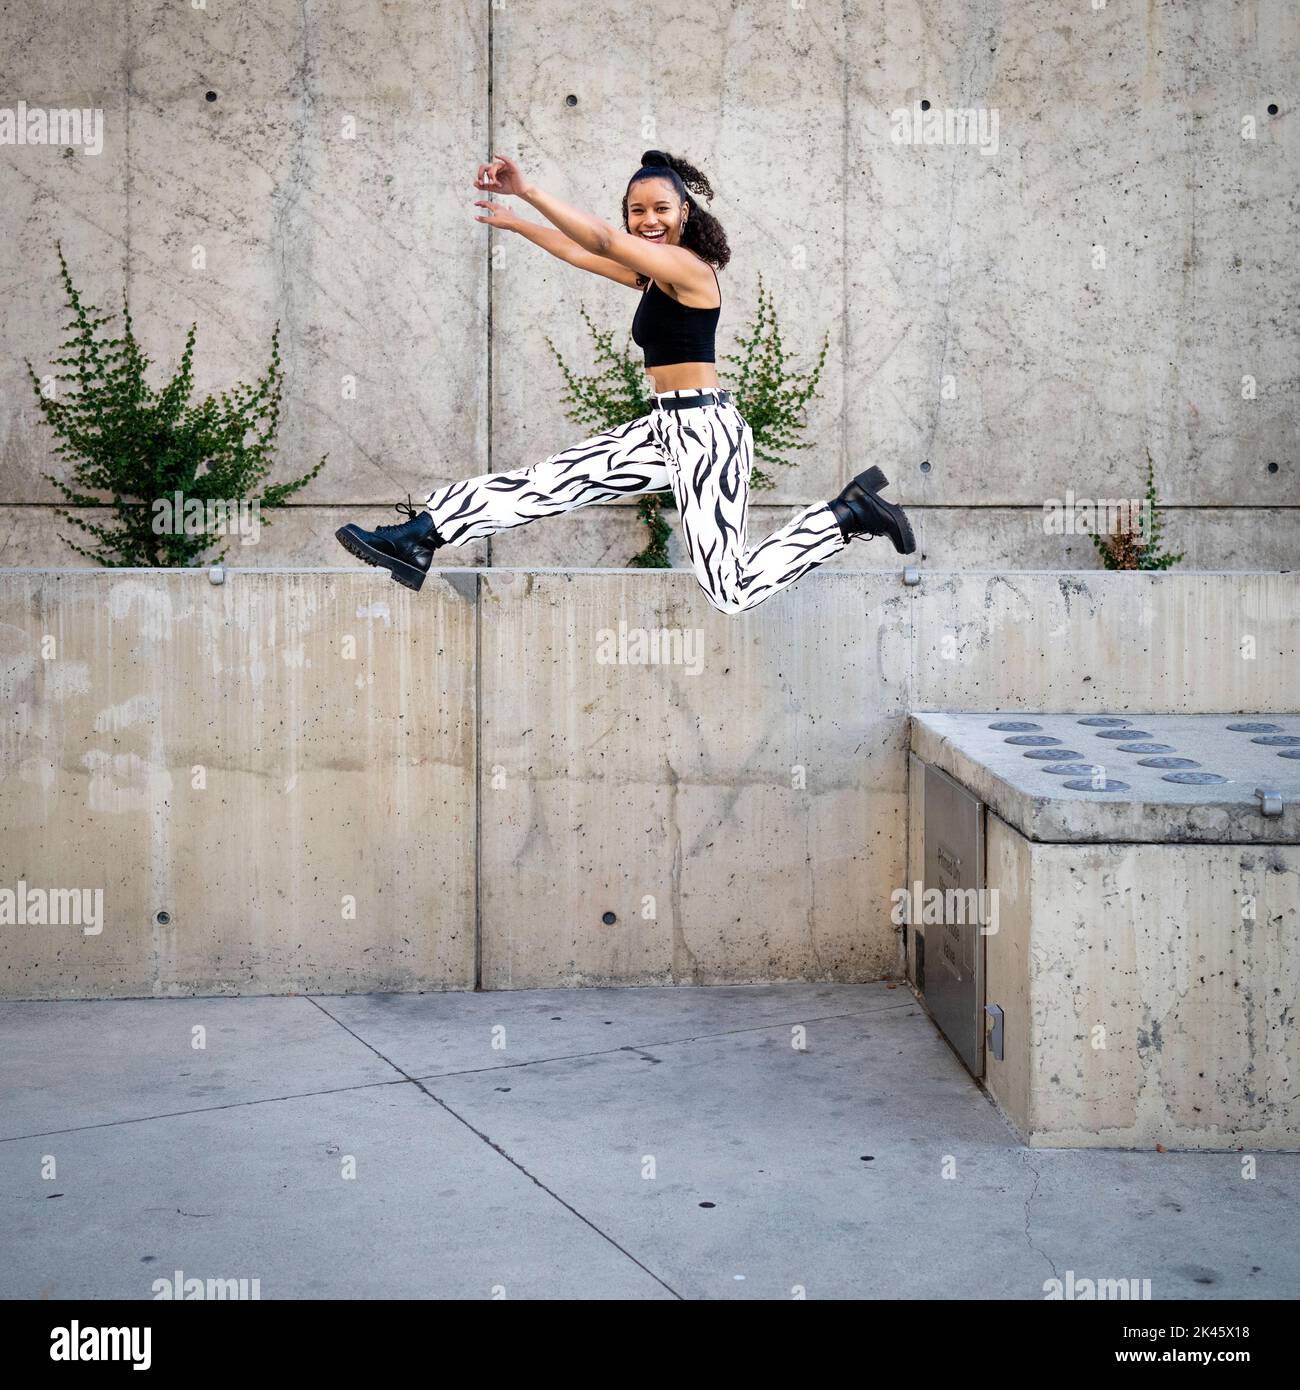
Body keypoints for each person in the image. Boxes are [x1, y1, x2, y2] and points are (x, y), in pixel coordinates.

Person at [335, 149, 915, 610]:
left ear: (685, 212)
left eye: (661, 208)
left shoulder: (691, 270)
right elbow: (584, 253)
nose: (649, 220)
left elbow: (606, 242)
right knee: (547, 483)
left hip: (706, 435)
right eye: (638, 211)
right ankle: (420, 535)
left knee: (731, 590)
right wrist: (517, 222)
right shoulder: (655, 278)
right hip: (665, 429)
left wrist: (531, 189)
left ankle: (847, 514)